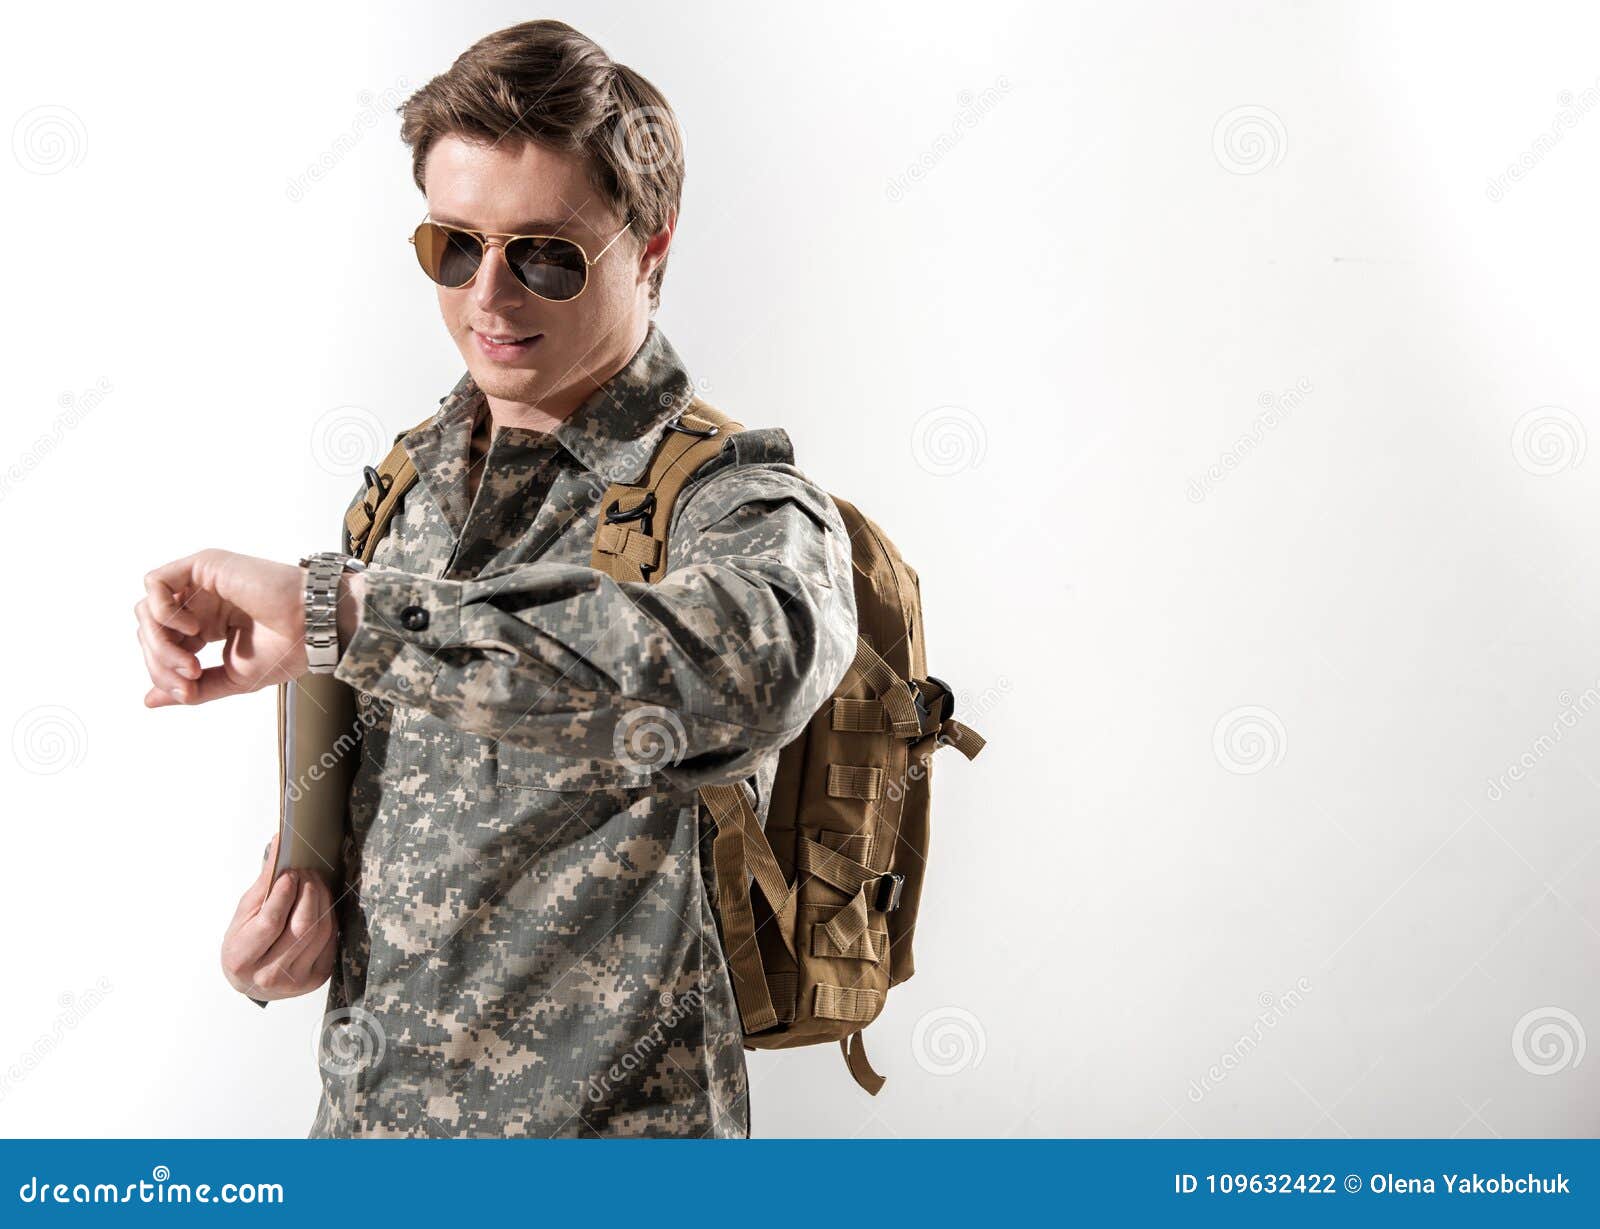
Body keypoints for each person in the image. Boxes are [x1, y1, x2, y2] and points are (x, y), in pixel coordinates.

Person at [132, 19, 858, 1138]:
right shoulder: (403, 491)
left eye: (547, 253)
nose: (490, 295)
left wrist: (340, 609)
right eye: (453, 245)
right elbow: (374, 828)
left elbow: (753, 662)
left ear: (650, 252)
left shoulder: (733, 497)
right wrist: (280, 938)